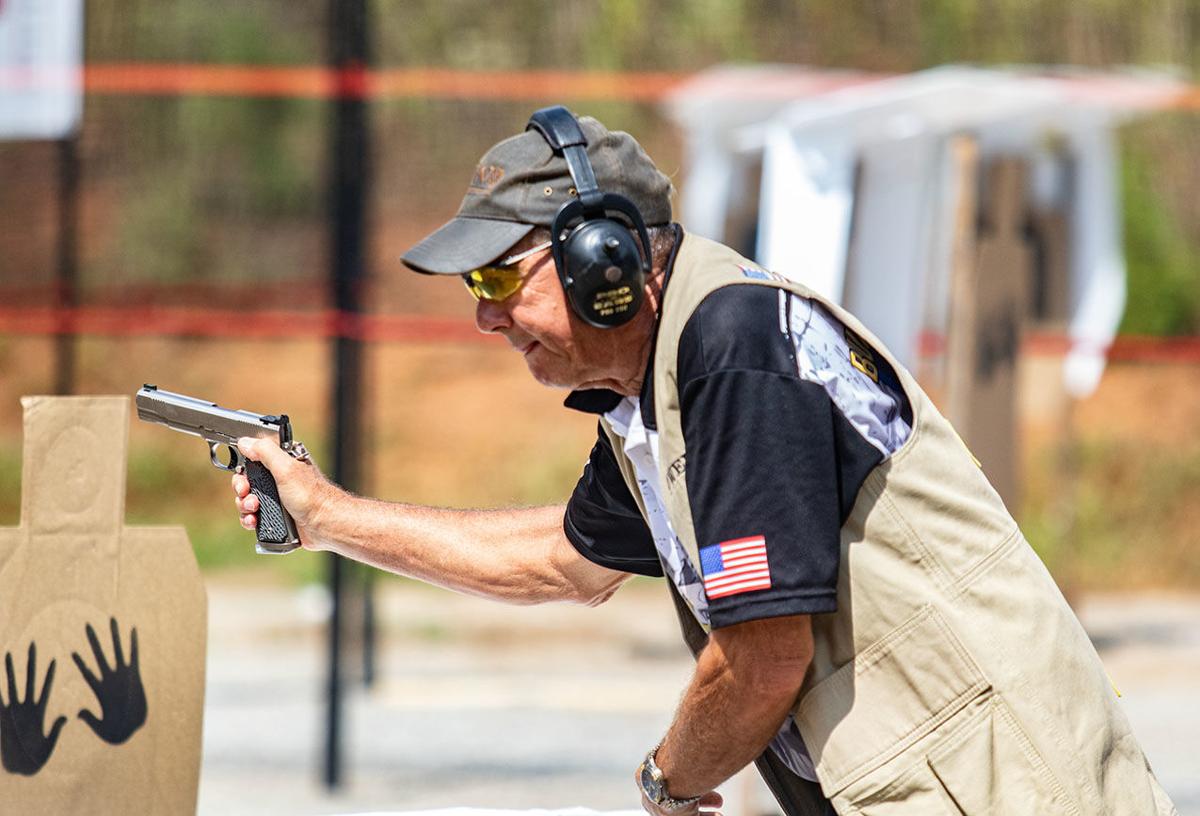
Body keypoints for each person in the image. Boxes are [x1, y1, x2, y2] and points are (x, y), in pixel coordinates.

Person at [232, 107, 1176, 816]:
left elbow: (763, 659)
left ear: (603, 263)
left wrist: (666, 783)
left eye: (496, 279)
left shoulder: (732, 347)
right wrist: (326, 516)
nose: (483, 315)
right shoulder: (659, 388)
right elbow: (563, 562)